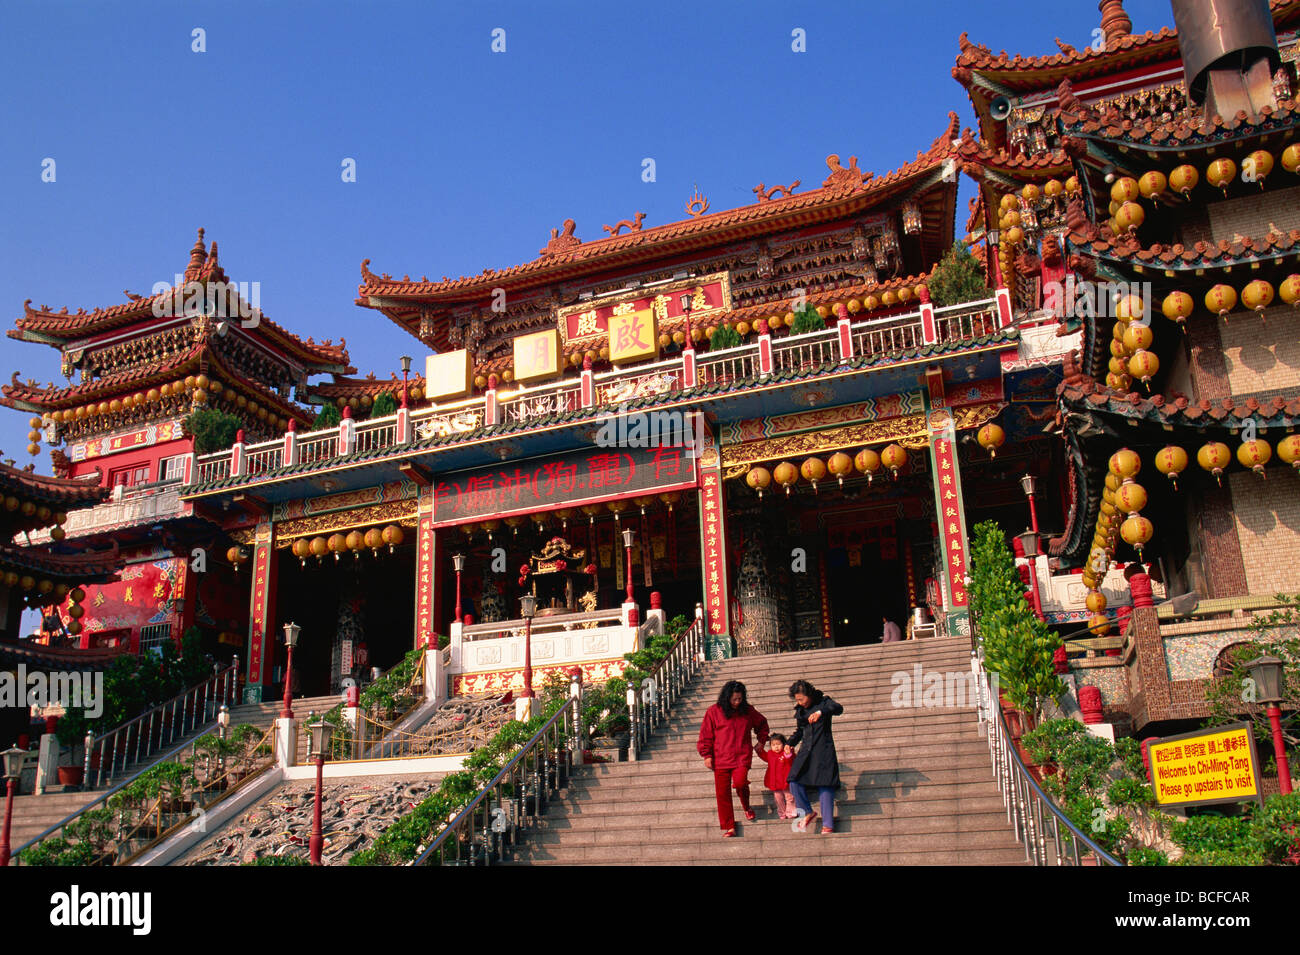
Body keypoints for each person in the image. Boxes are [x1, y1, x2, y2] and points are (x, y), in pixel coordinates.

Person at [697, 680, 770, 837]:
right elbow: (706, 735)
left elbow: (762, 724)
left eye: (740, 699)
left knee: (740, 782)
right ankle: (729, 826)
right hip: (721, 758)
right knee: (722, 793)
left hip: (741, 757)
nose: (737, 702)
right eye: (734, 699)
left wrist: (761, 741)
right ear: (726, 697)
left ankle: (746, 806)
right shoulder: (713, 712)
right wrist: (707, 755)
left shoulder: (748, 711)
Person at [787, 679, 844, 834]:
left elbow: (838, 708)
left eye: (801, 699)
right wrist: (789, 742)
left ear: (809, 695)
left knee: (825, 784)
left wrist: (821, 712)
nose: (800, 702)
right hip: (806, 751)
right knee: (793, 780)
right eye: (797, 700)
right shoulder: (801, 711)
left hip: (823, 750)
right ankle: (807, 811)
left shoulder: (824, 702)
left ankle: (828, 824)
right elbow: (800, 730)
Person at [754, 733, 796, 819]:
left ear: (784, 744)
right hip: (775, 781)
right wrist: (759, 750)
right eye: (773, 745)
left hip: (785, 780)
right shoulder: (770, 754)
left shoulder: (786, 753)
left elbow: (792, 760)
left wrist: (789, 753)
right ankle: (782, 812)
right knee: (778, 798)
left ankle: (791, 812)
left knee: (790, 797)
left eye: (778, 744)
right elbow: (764, 756)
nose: (776, 747)